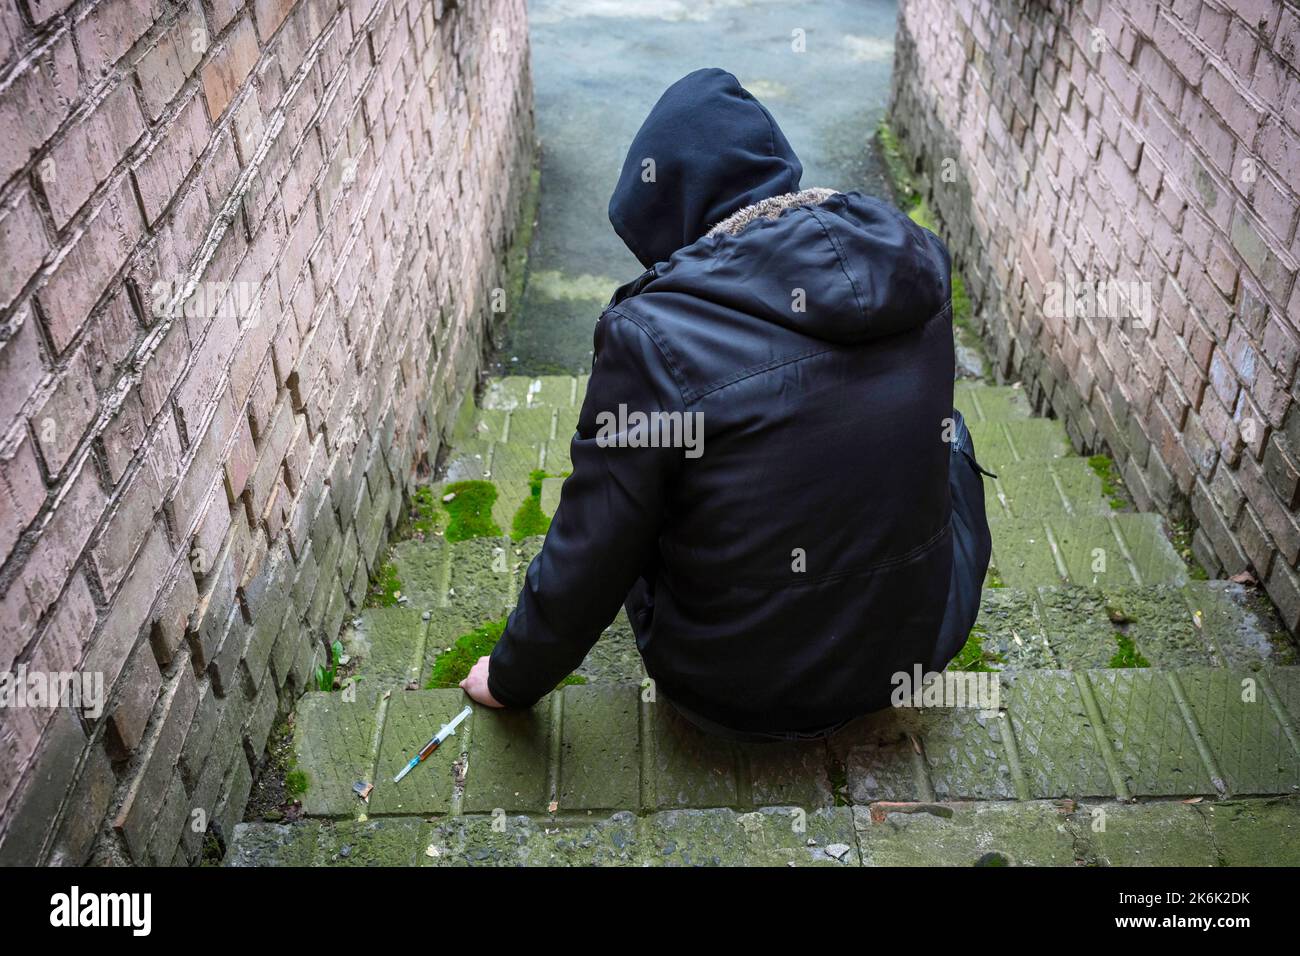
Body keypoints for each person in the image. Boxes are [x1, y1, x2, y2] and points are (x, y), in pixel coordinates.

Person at [459, 67, 992, 741]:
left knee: (638, 493)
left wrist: (510, 678)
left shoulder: (654, 338)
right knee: (948, 431)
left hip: (737, 687)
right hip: (913, 651)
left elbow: (592, 547)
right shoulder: (913, 255)